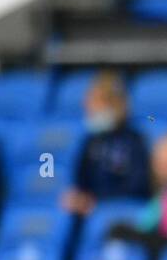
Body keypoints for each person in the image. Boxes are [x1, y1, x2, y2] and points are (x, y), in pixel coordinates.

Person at [62, 71, 151, 215]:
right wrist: (78, 199)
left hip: (123, 211)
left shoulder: (134, 140)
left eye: (95, 102)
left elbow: (139, 186)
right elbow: (79, 182)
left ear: (114, 104)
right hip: (91, 214)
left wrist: (97, 201)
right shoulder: (90, 141)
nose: (87, 107)